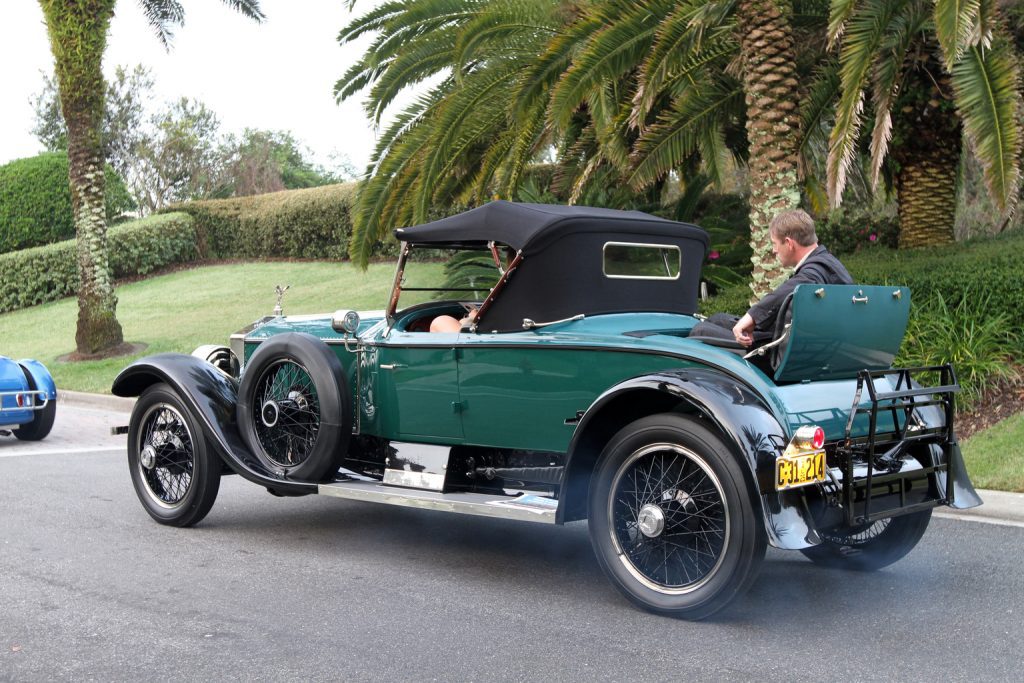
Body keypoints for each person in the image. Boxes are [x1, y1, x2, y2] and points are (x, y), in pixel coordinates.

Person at [691, 209, 852, 346]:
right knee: (717, 319)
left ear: (789, 243)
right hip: (807, 341)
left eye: (774, 244)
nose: (774, 250)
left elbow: (799, 285)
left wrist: (752, 317)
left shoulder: (813, 271)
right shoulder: (828, 262)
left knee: (700, 330)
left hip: (788, 349)